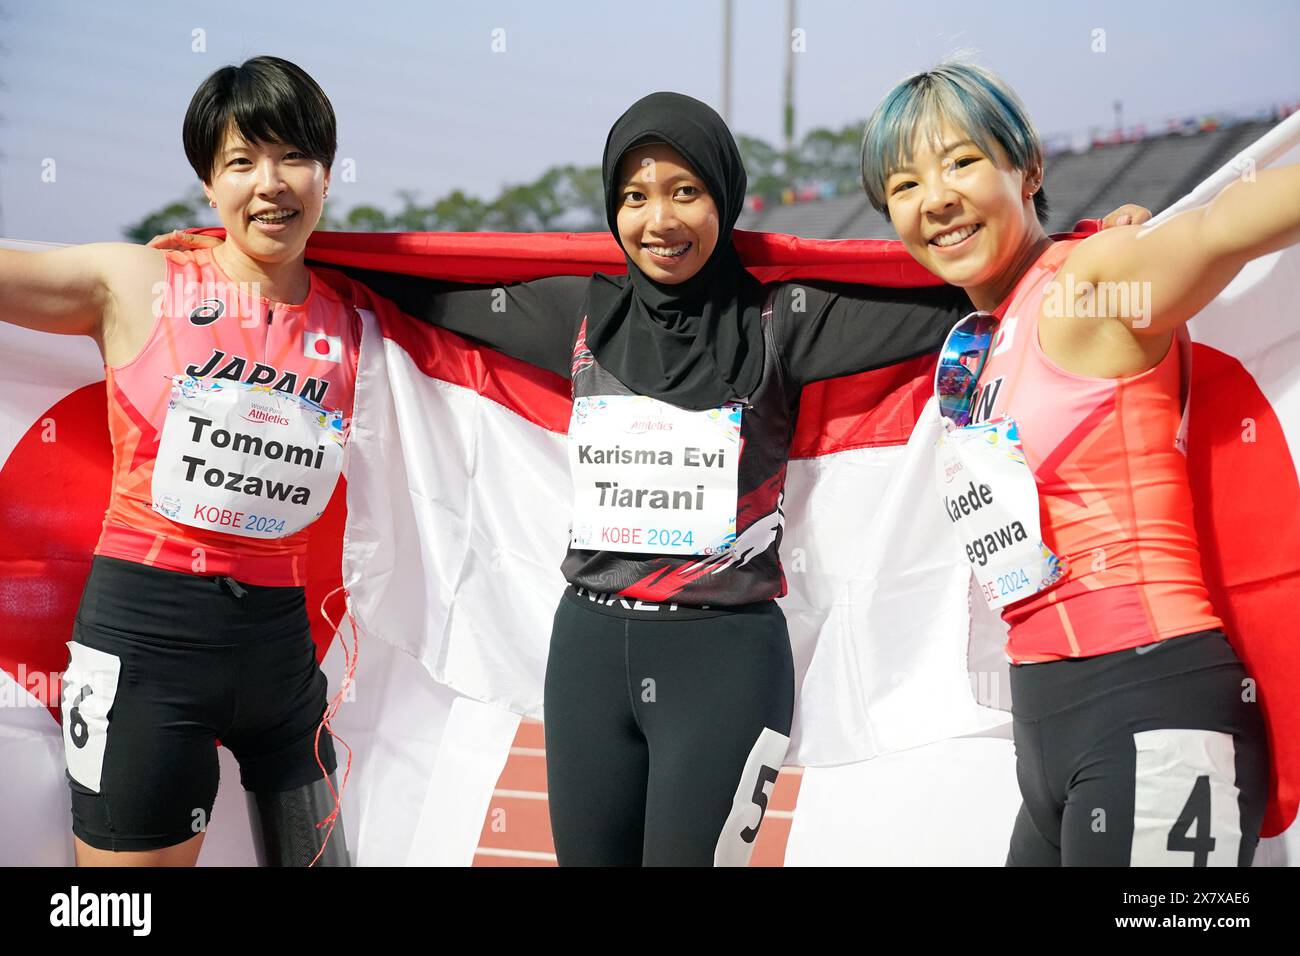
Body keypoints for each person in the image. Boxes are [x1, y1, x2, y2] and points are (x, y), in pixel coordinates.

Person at [178, 90, 1129, 867]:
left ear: (724, 196)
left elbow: (964, 286)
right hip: (587, 653)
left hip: (727, 666)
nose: (657, 219)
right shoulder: (579, 313)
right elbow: (413, 283)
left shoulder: (784, 318)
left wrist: (1088, 247)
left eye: (683, 192)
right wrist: (228, 261)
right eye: (634, 195)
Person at [860, 60, 1298, 865]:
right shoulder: (982, 347)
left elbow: (1222, 227)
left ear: (1026, 169)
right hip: (1051, 727)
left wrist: (1132, 242)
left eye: (960, 161)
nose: (935, 199)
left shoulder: (1088, 288)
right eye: (903, 184)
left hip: (1150, 698)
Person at [0, 55, 358, 866]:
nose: (271, 182)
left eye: (293, 156)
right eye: (242, 161)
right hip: (146, 642)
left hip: (283, 655)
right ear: (209, 184)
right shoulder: (136, 281)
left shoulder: (360, 315)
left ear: (326, 175)